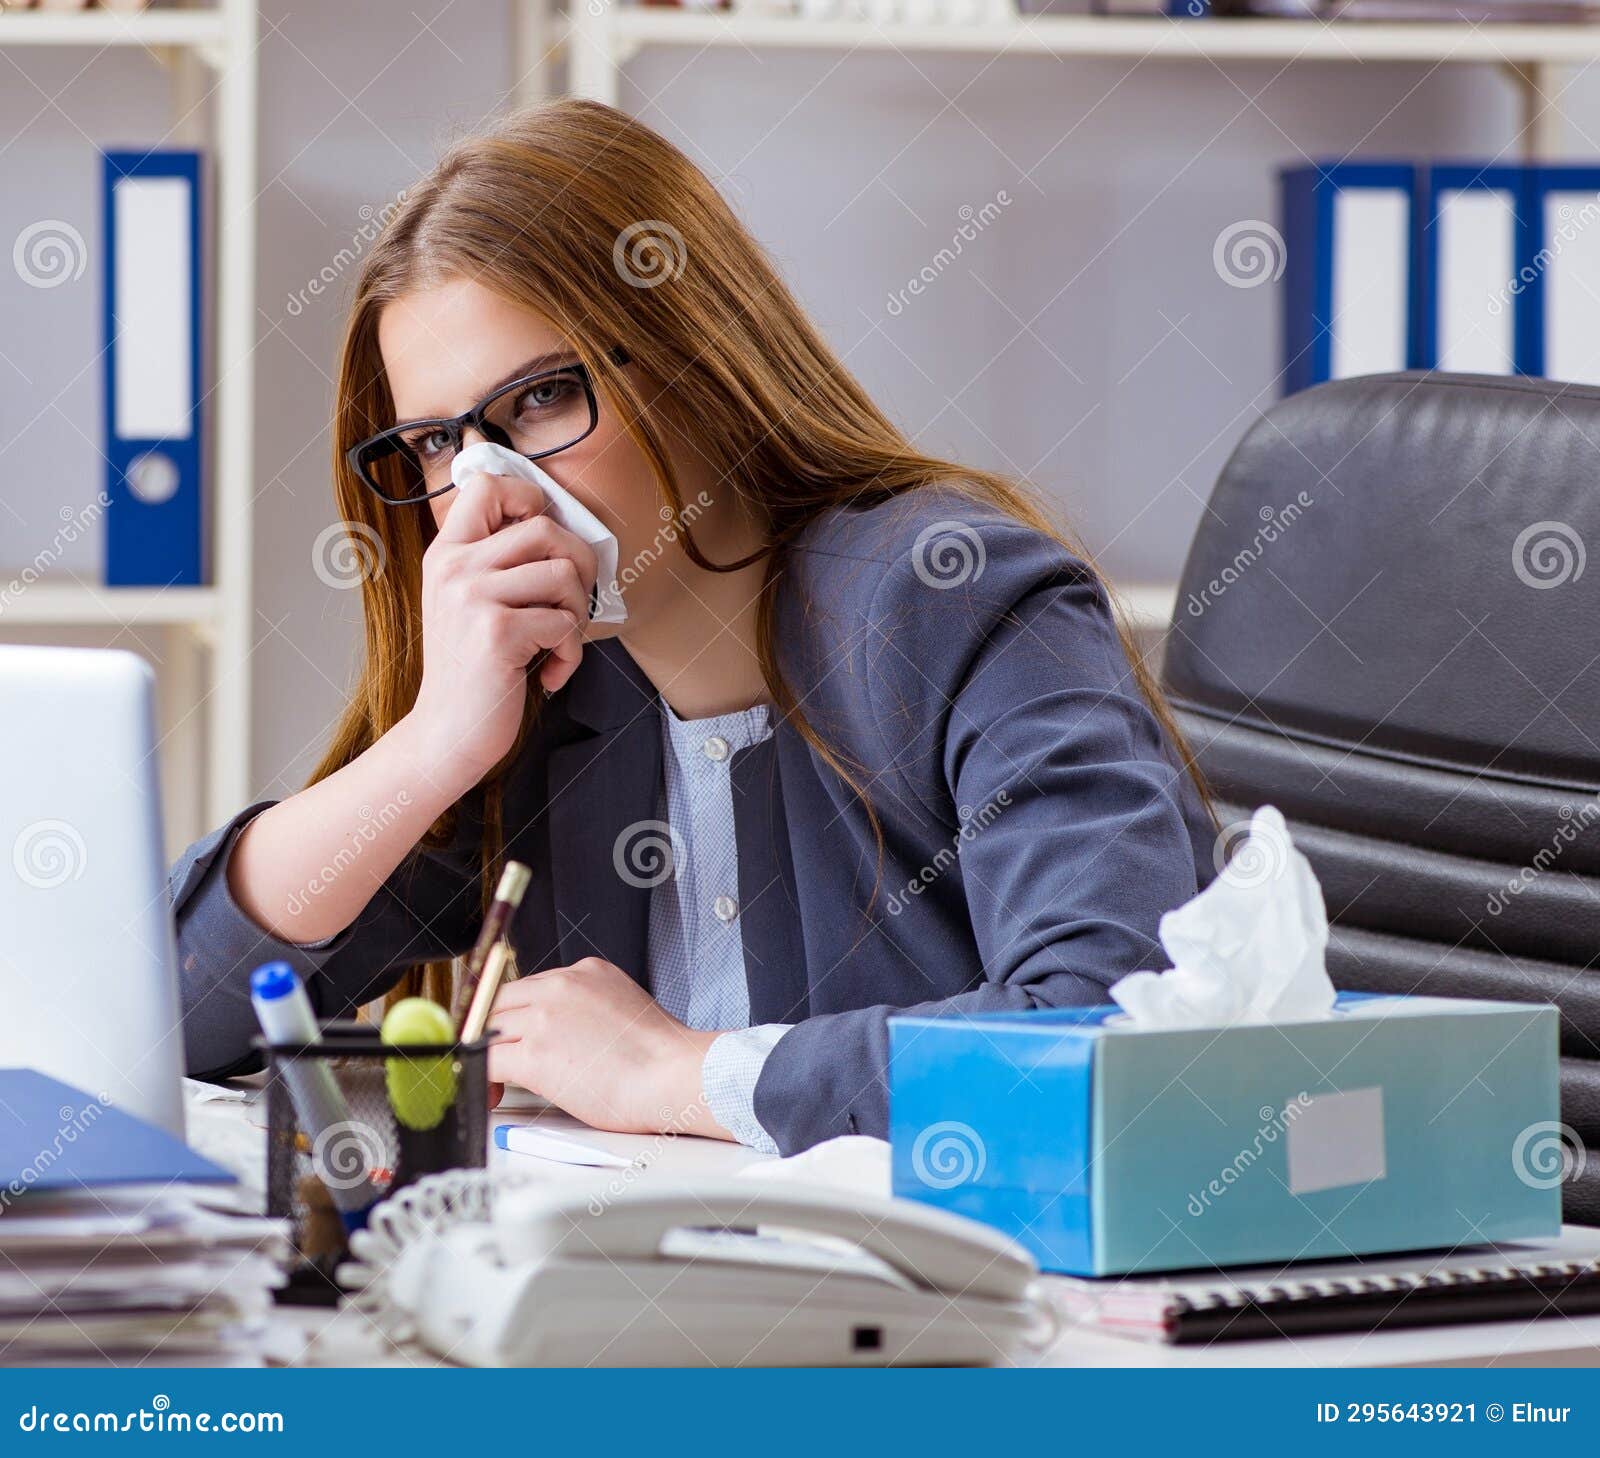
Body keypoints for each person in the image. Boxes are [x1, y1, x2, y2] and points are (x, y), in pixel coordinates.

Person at [171, 99, 1211, 1156]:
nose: (490, 491)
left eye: (537, 400)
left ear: (697, 355)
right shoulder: (538, 688)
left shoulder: (951, 599)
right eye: (440, 444)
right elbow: (172, 1007)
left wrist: (677, 1073)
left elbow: (1118, 1037)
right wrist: (433, 746)